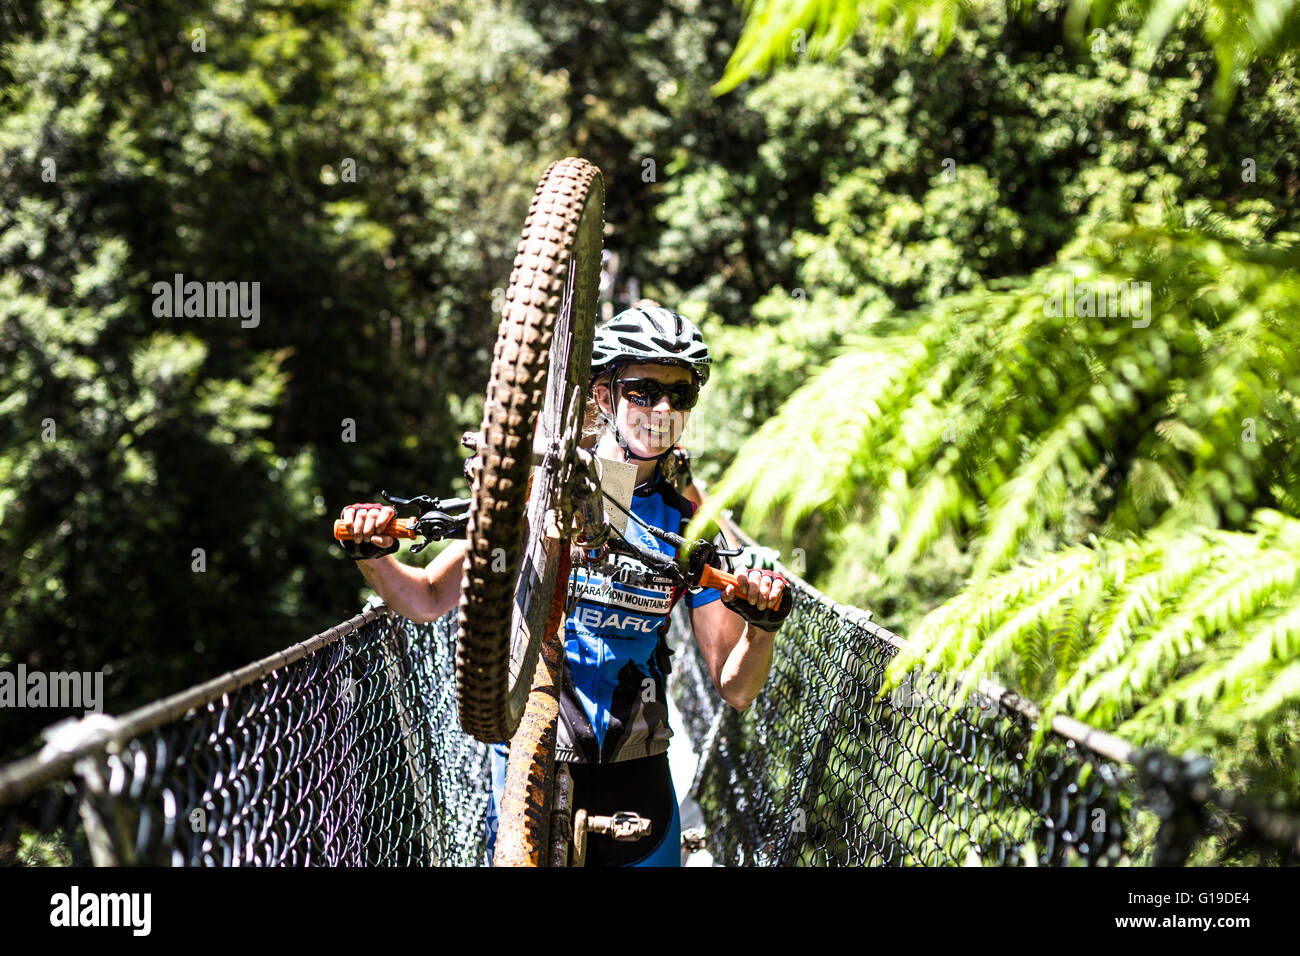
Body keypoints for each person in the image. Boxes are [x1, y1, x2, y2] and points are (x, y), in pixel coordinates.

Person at [338, 305, 790, 866]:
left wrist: (762, 626)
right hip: (532, 763)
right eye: (643, 390)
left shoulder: (692, 524)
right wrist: (372, 555)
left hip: (639, 782)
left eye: (681, 395)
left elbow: (735, 689)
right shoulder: (543, 492)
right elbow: (428, 597)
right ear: (603, 396)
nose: (663, 410)